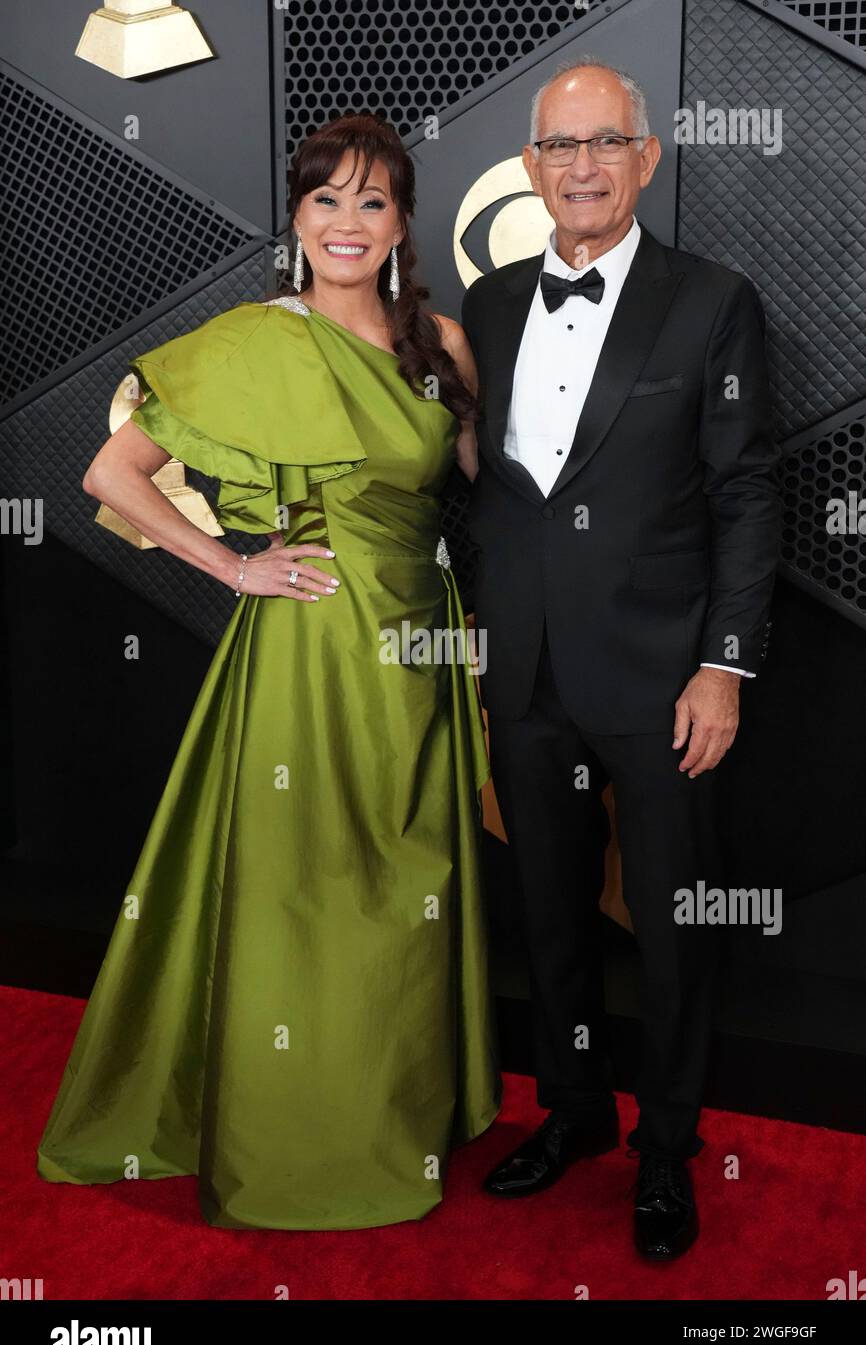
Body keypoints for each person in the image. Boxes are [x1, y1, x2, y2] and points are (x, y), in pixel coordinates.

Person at [37, 113, 502, 1231]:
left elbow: (478, 491)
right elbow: (111, 469)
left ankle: (392, 1108)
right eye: (325, 199)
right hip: (312, 643)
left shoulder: (440, 342)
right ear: (295, 216)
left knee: (408, 889)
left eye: (371, 201)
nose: (347, 222)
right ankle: (294, 1135)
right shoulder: (254, 337)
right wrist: (232, 565)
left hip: (422, 643)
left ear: (401, 223)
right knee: (313, 893)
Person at [461, 57, 782, 1259]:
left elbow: (747, 495)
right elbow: (484, 491)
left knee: (668, 923)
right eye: (558, 147)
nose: (580, 166)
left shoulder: (712, 301)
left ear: (646, 158)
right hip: (525, 676)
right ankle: (575, 1114)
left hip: (662, 682)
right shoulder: (485, 306)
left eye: (604, 144)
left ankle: (666, 1150)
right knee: (546, 914)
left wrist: (724, 667)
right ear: (530, 167)